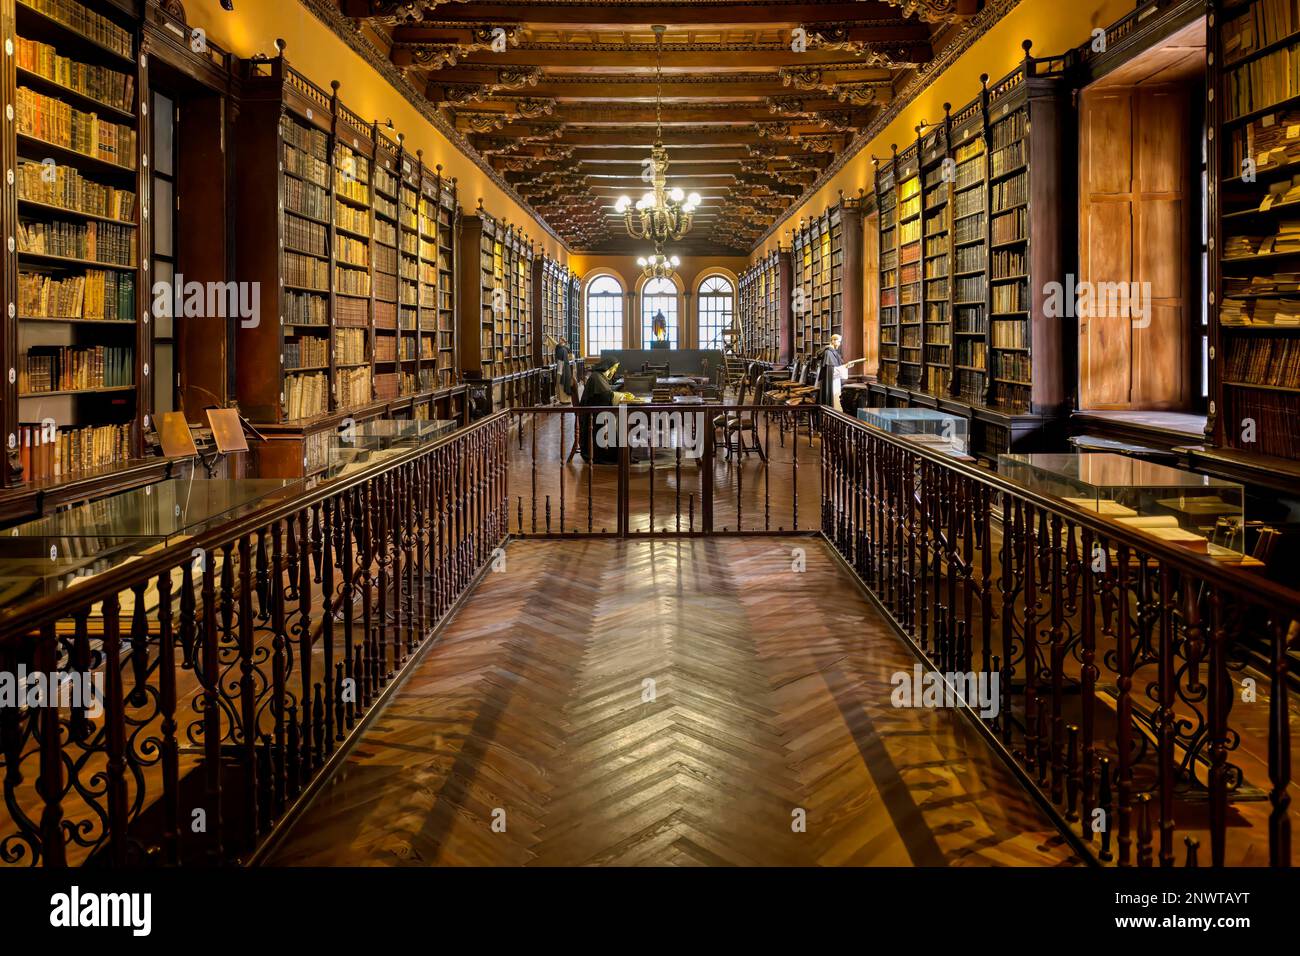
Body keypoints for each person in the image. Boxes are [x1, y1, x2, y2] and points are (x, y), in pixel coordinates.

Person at [817, 333, 847, 411]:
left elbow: (834, 367)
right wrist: (845, 367)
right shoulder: (829, 353)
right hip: (831, 381)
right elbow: (831, 371)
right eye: (839, 342)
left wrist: (845, 366)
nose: (840, 344)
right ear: (833, 341)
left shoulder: (831, 351)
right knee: (833, 400)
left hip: (833, 380)